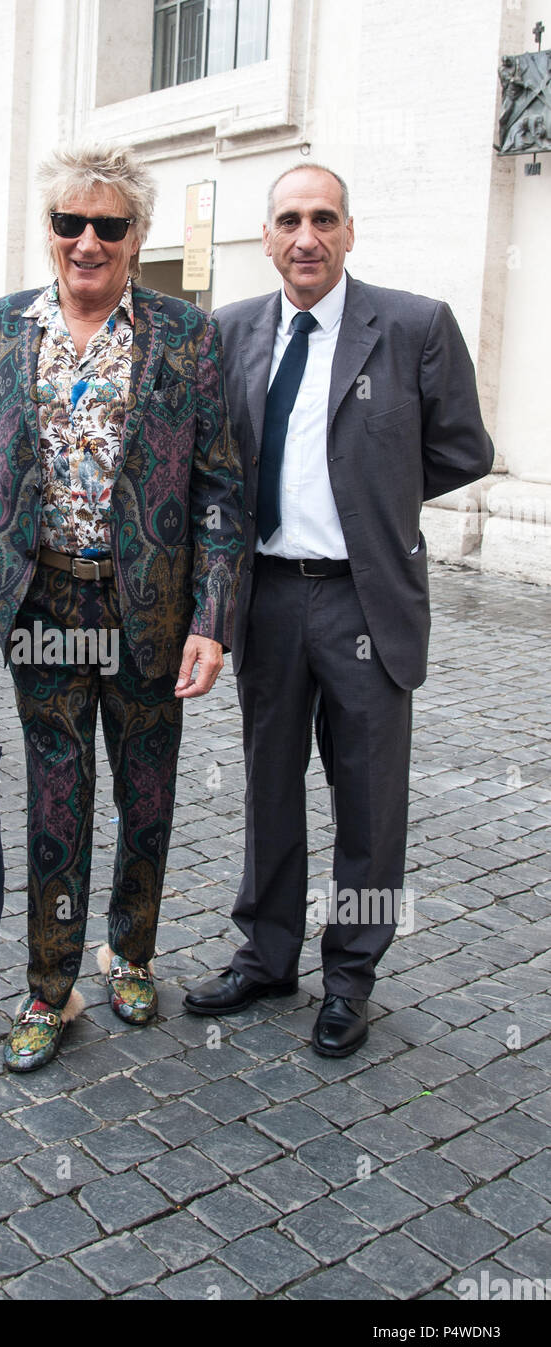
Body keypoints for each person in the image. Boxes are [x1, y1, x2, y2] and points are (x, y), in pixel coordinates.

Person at [184, 164, 494, 1057]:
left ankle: (351, 976)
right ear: (268, 236)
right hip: (268, 597)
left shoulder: (410, 324)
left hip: (365, 598)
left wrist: (373, 505)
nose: (305, 237)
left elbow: (462, 448)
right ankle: (267, 953)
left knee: (367, 802)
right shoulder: (231, 330)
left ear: (348, 231)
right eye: (288, 220)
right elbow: (213, 462)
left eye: (323, 218)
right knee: (268, 788)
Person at [0, 141, 243, 1073]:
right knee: (55, 802)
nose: (86, 240)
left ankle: (134, 952)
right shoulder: (3, 327)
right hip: (42, 601)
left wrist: (210, 618)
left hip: (146, 608)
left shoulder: (183, 334)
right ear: (48, 231)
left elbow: (219, 492)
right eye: (68, 223)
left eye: (107, 226)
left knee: (145, 796)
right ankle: (47, 988)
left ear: (135, 235)